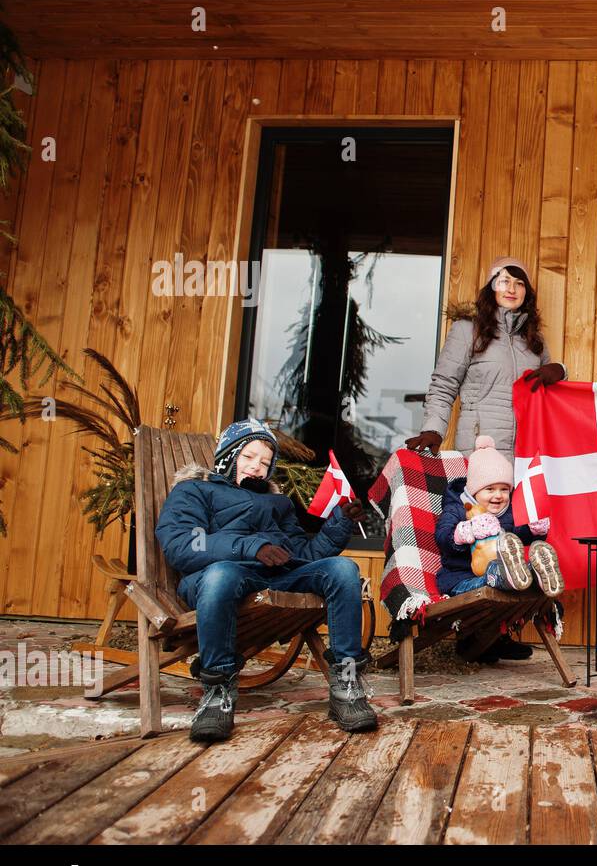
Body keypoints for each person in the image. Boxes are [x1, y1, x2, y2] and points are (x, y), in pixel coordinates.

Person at [155, 419, 376, 742]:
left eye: (264, 462)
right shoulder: (194, 490)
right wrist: (250, 546)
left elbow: (305, 553)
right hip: (219, 575)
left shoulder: (278, 503)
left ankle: (346, 685)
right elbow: (184, 544)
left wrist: (339, 524)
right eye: (248, 457)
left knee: (342, 570)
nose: (257, 468)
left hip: (276, 575)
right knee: (220, 575)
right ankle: (217, 693)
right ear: (228, 456)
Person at [406, 257, 565, 462]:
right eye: (505, 281)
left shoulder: (534, 339)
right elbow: (444, 386)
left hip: (526, 453)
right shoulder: (467, 330)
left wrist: (560, 370)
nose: (512, 289)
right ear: (492, 287)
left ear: (526, 293)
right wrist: (433, 430)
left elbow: (549, 396)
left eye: (520, 284)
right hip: (479, 450)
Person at [434, 435, 564, 662]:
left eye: (504, 489)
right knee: (496, 573)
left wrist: (535, 529)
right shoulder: (457, 509)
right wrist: (467, 531)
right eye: (490, 489)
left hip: (503, 577)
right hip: (461, 580)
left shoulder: (508, 513)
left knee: (512, 573)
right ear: (474, 491)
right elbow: (443, 537)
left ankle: (537, 574)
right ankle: (512, 575)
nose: (498, 496)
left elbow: (518, 533)